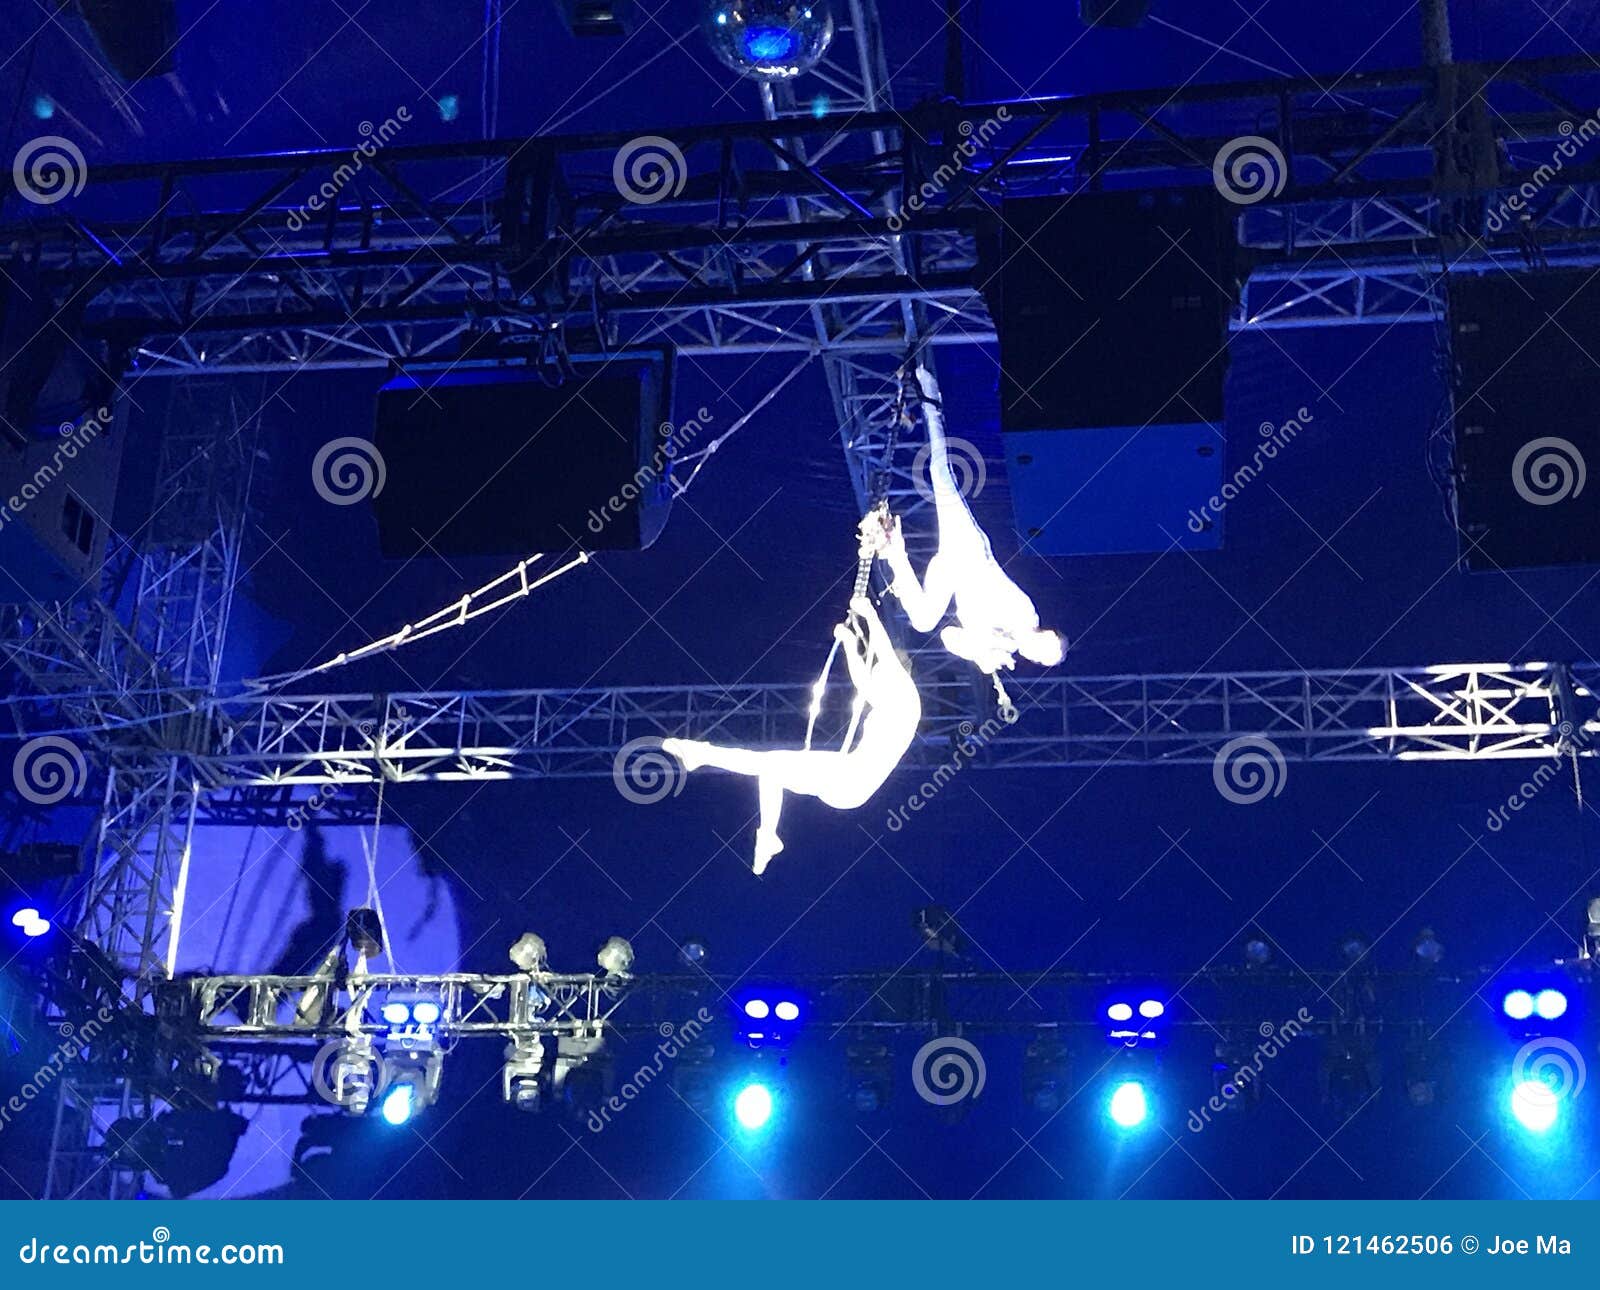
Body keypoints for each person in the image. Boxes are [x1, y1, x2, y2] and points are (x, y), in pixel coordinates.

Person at [663, 596, 921, 874]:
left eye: (878, 671)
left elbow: (882, 652)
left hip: (853, 775)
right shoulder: (890, 696)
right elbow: (863, 679)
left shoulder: (904, 691)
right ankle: (767, 835)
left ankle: (701, 753)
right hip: (850, 787)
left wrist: (870, 614)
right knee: (771, 770)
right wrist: (848, 640)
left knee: (769, 765)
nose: (874, 678)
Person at [867, 368, 1065, 685]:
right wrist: (987, 648)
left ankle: (894, 550)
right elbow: (986, 607)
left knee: (922, 620)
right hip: (967, 550)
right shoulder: (1024, 614)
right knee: (939, 474)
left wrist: (977, 652)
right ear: (1044, 632)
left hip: (950, 572)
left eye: (1041, 658)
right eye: (1045, 646)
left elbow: (949, 635)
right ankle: (931, 397)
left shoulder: (1004, 644)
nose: (1036, 652)